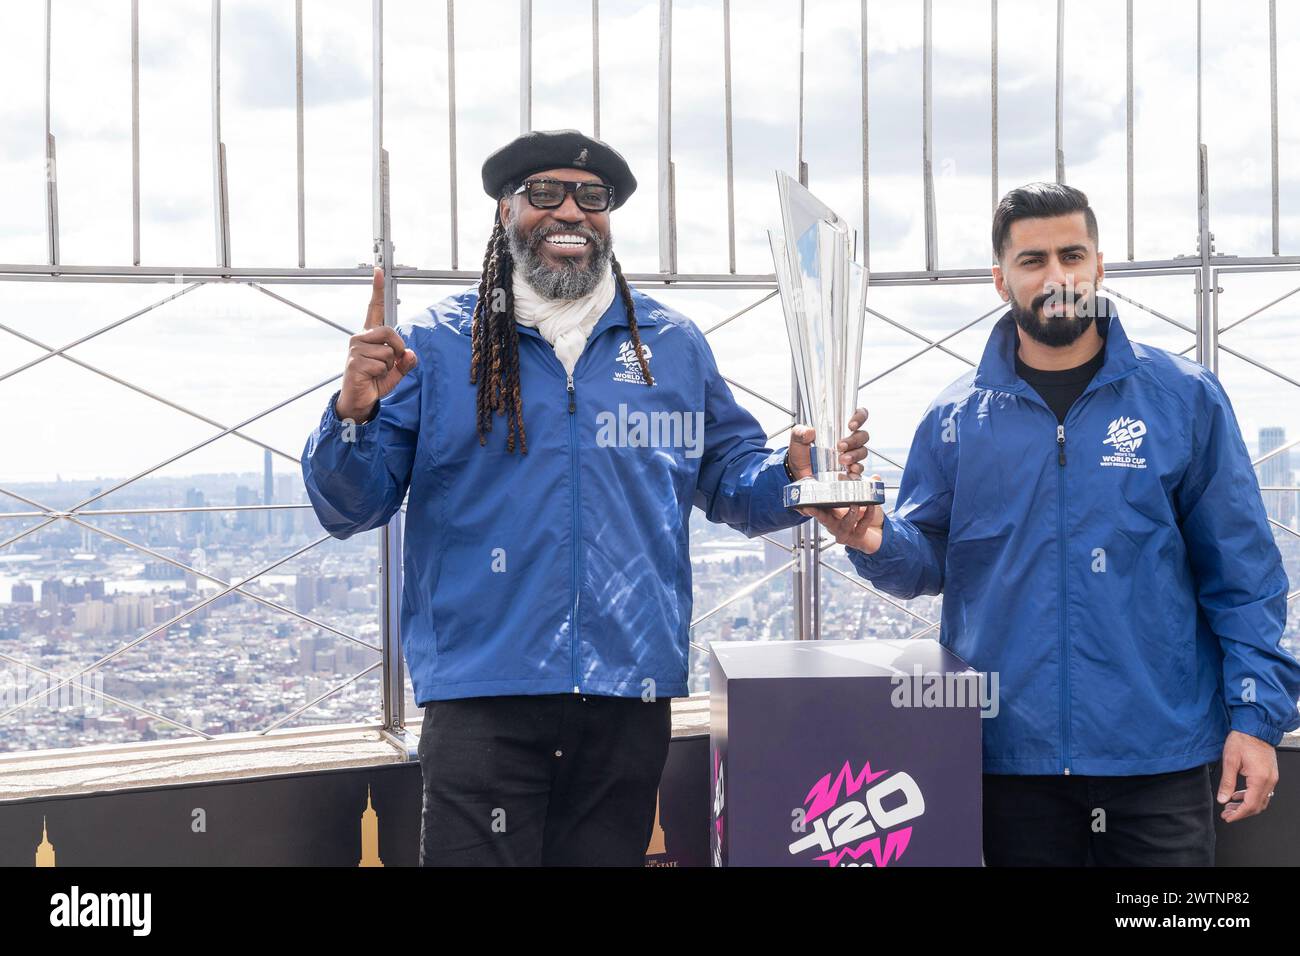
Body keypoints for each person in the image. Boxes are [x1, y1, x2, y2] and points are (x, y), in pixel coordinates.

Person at [301, 129, 871, 866]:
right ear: (504, 212)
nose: (570, 210)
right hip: (483, 699)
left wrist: (795, 471)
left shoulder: (671, 345)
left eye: (591, 197)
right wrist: (354, 417)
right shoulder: (434, 346)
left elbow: (730, 480)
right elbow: (349, 507)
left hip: (625, 699)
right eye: (545, 193)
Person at [800, 182, 1300, 866]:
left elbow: (1243, 577)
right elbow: (929, 560)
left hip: (1158, 759)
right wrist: (868, 536)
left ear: (1100, 265)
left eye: (1073, 254)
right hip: (1008, 760)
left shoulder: (1183, 400)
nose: (1058, 276)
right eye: (1033, 260)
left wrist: (1256, 718)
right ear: (1000, 279)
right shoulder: (953, 420)